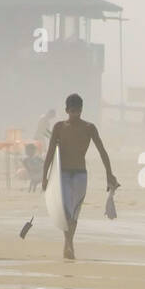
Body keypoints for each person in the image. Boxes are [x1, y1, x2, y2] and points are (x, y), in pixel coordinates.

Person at [42, 93, 119, 260]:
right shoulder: (59, 128)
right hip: (62, 175)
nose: (75, 115)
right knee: (66, 213)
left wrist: (109, 173)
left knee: (74, 212)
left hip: (80, 175)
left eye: (77, 111)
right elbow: (49, 153)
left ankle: (69, 244)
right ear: (67, 110)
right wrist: (45, 176)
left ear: (82, 110)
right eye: (72, 111)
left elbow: (102, 151)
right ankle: (68, 244)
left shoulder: (89, 128)